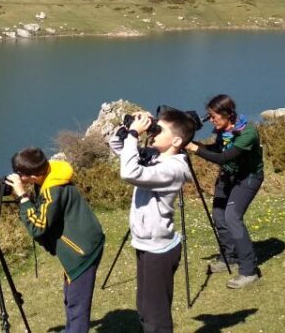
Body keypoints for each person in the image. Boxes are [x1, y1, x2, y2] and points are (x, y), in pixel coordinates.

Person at [108, 109, 195, 333]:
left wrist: (135, 136)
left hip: (159, 249)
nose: (153, 133)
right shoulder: (154, 155)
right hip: (146, 243)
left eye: (159, 129)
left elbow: (129, 172)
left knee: (156, 315)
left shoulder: (172, 169)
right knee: (145, 307)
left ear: (176, 140)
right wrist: (128, 130)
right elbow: (117, 146)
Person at [6, 147, 105, 333]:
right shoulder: (50, 175)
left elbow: (38, 226)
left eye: (20, 174)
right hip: (83, 241)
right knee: (71, 295)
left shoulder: (53, 190)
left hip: (82, 251)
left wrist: (22, 197)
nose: (18, 177)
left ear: (34, 176)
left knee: (77, 303)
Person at [185, 94, 264, 289]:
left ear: (227, 114)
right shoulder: (223, 130)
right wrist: (200, 146)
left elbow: (224, 157)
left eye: (214, 116)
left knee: (232, 217)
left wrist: (194, 148)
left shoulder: (247, 133)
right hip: (227, 177)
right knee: (219, 216)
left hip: (248, 178)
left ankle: (248, 270)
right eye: (209, 116)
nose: (211, 120)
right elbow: (218, 148)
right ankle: (229, 256)